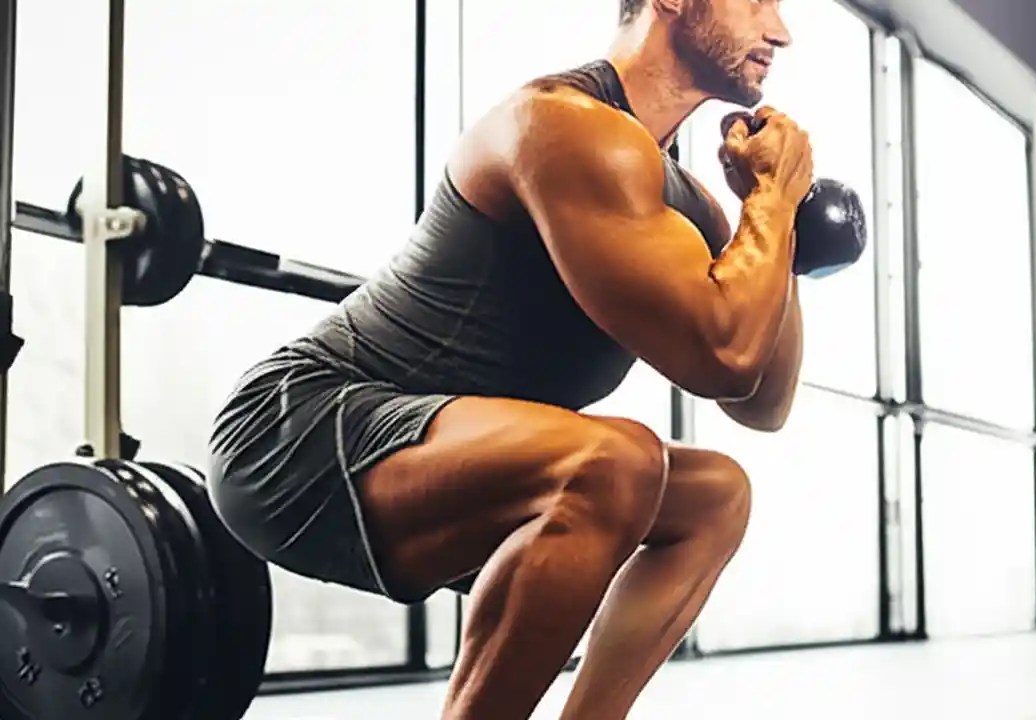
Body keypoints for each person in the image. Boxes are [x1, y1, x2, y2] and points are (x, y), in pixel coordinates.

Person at [206, 0, 811, 717]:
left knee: (715, 496)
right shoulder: (566, 124)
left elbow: (762, 401)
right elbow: (724, 359)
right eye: (758, 2)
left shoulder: (688, 202)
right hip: (295, 432)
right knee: (617, 462)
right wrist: (772, 201)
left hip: (434, 454)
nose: (779, 31)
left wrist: (776, 221)